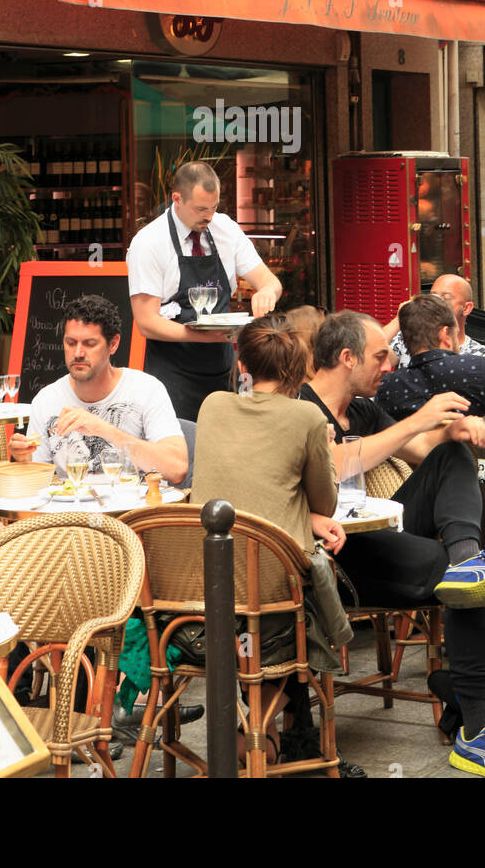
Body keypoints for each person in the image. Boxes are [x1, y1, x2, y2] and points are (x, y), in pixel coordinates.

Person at [300, 310, 485, 779]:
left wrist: (449, 431)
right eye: (379, 356)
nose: (389, 365)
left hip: (372, 532)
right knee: (450, 574)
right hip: (331, 553)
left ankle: (468, 560)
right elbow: (333, 464)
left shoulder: (363, 408)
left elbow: (422, 453)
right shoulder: (302, 407)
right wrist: (416, 420)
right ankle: (477, 729)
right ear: (347, 357)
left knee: (453, 460)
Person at [190, 314, 348, 769]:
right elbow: (327, 499)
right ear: (300, 369)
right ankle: (255, 726)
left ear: (243, 362)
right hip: (272, 592)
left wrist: (306, 514)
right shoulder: (307, 416)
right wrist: (314, 511)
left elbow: (244, 484)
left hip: (196, 592)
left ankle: (268, 731)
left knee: (262, 599)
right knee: (313, 595)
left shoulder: (213, 405)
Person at [127, 160, 282, 421]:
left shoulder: (226, 230)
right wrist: (206, 336)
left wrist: (267, 292)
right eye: (200, 209)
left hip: (224, 370)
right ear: (177, 199)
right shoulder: (149, 243)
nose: (208, 217)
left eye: (214, 207)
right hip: (173, 378)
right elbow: (147, 323)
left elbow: (270, 281)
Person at [9, 294, 188, 484]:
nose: (78, 353)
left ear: (113, 344)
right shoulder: (46, 400)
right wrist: (24, 459)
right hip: (70, 512)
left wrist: (103, 429)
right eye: (70, 343)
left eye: (89, 344)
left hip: (134, 511)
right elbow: (36, 483)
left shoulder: (146, 389)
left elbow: (176, 469)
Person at [377, 295, 485, 467]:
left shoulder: (387, 386)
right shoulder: (478, 368)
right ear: (445, 334)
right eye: (456, 333)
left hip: (414, 488)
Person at [383, 274, 485, 371]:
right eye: (433, 296)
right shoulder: (407, 340)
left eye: (446, 298)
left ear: (466, 308)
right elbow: (373, 357)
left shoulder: (481, 354)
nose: (436, 302)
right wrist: (399, 320)